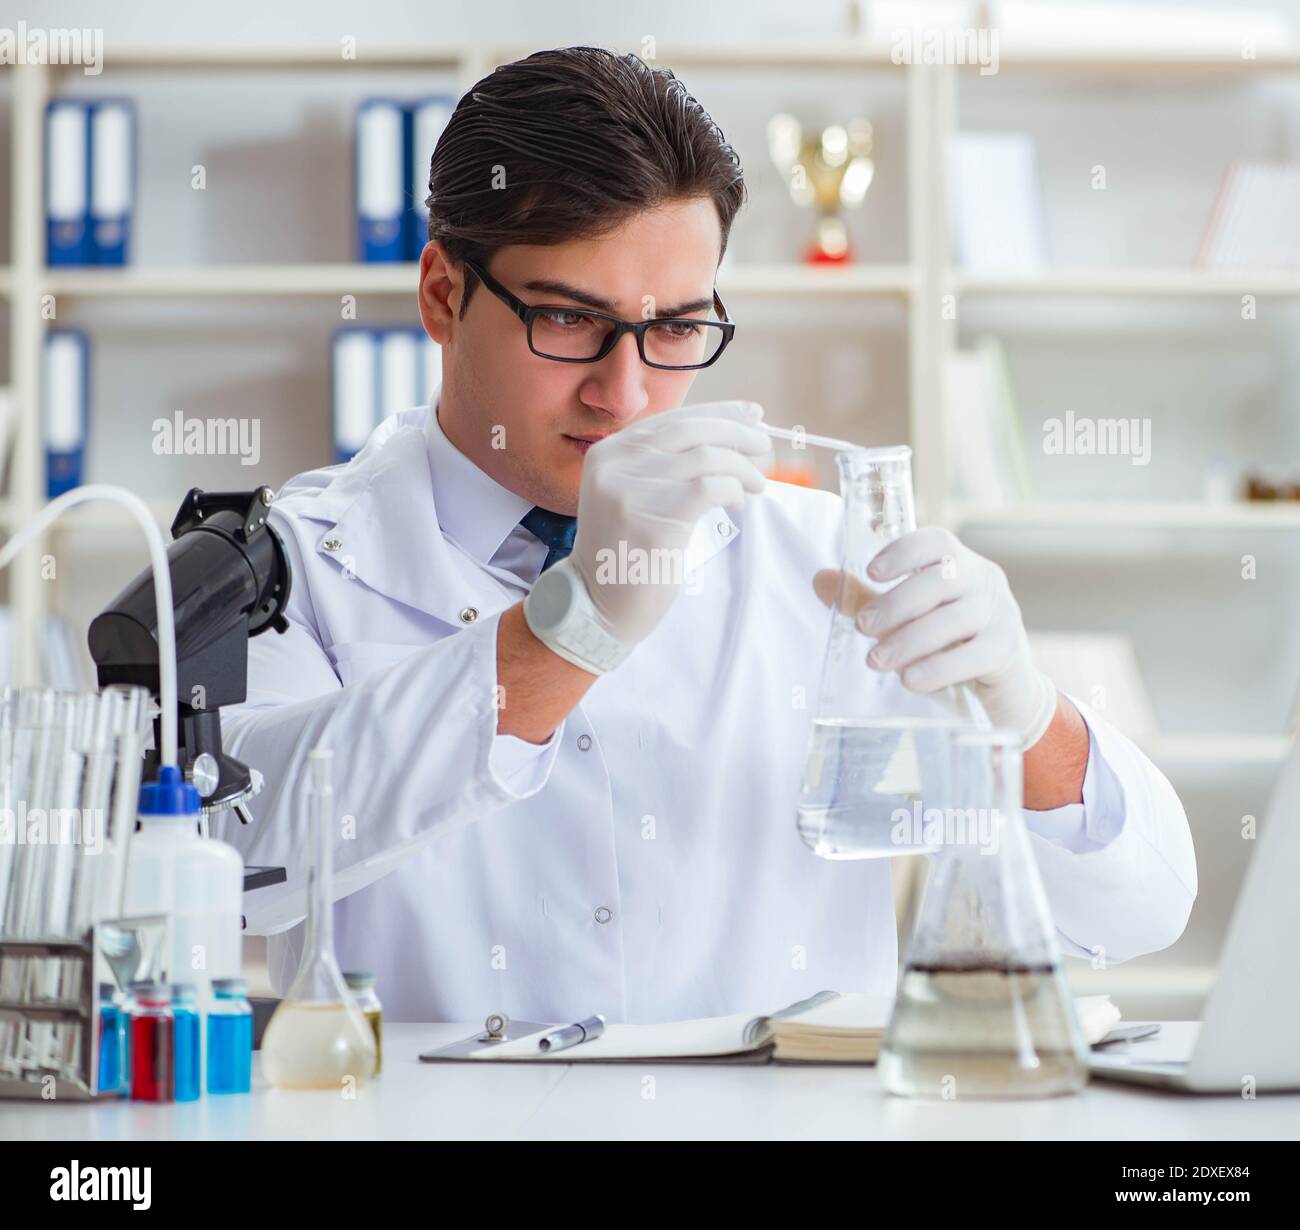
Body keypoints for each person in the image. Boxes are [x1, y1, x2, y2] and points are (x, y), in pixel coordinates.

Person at [219, 46, 1196, 1023]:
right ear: (443, 295)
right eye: (566, 318)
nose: (625, 391)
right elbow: (236, 868)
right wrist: (572, 631)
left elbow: (1136, 915)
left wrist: (1026, 716)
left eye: (678, 328)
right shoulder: (288, 561)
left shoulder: (821, 558)